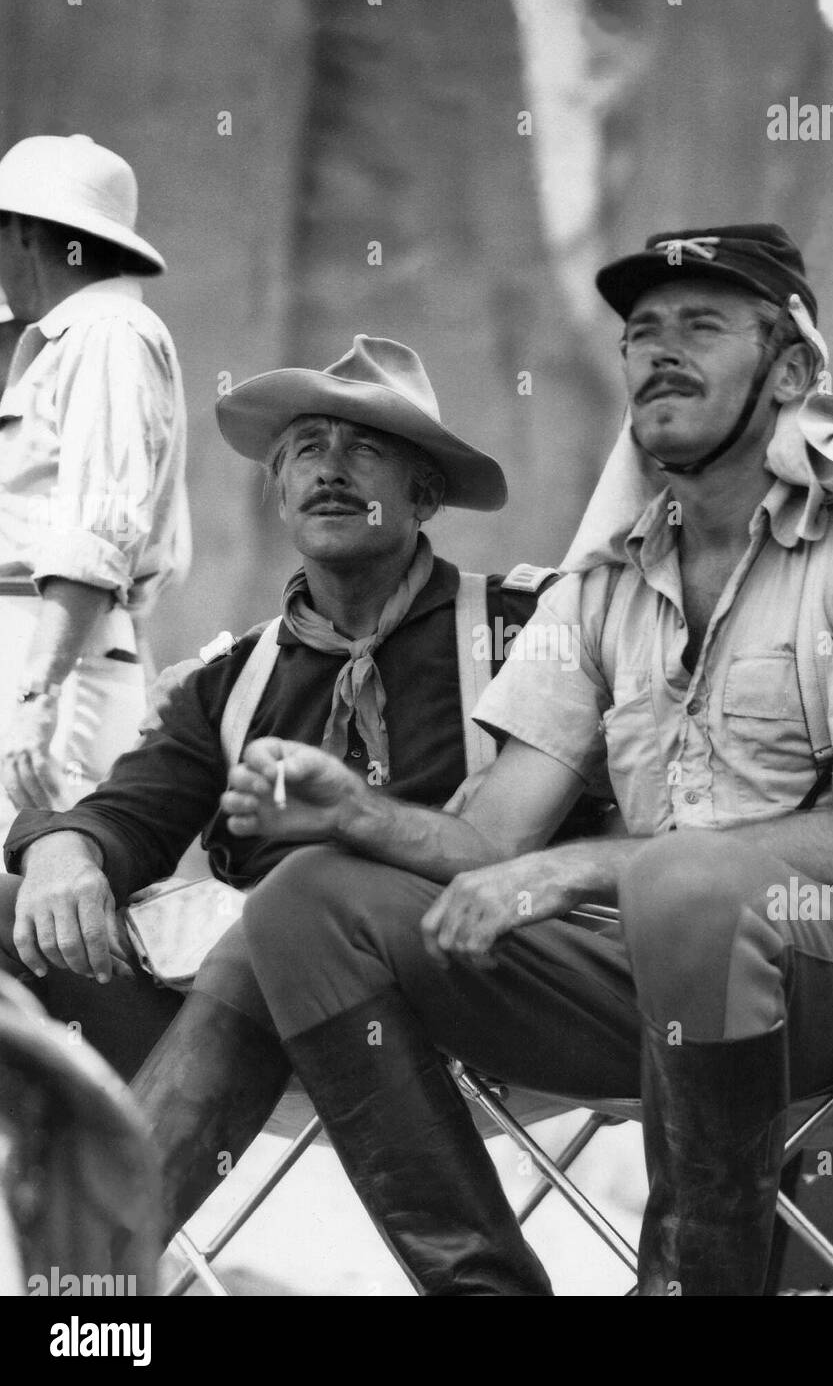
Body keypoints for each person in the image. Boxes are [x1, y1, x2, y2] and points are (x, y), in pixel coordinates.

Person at [130, 225, 833, 1295]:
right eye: (642, 331)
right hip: (649, 966)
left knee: (682, 882)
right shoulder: (602, 583)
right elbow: (494, 837)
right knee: (307, 900)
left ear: (794, 369)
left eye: (702, 326)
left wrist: (577, 871)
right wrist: (356, 812)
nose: (661, 351)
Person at [1, 336, 573, 1109]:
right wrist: (62, 852)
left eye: (364, 449)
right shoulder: (228, 681)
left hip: (483, 1015)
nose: (330, 470)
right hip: (250, 1035)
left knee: (299, 897)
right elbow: (128, 819)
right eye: (307, 449)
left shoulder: (525, 629)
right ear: (279, 493)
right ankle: (89, 1194)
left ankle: (128, 1215)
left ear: (424, 495)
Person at [0, 134, 191, 842]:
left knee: (43, 903)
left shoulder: (108, 333)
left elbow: (95, 529)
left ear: (21, 229)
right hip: (37, 649)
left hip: (55, 657)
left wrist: (36, 692)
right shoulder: (60, 338)